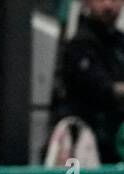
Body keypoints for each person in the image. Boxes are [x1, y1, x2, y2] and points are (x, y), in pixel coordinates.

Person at [53, 0, 124, 164]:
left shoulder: (119, 43)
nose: (108, 5)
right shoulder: (79, 45)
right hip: (78, 149)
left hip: (114, 148)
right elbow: (102, 89)